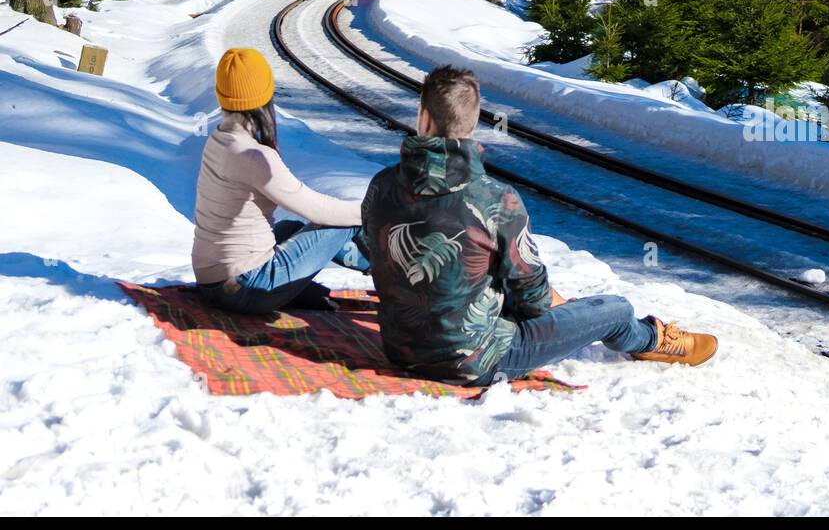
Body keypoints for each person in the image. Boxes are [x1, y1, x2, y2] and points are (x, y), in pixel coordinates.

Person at [361, 64, 718, 385]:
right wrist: (571, 313)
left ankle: (629, 331)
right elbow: (534, 300)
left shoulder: (381, 185)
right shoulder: (496, 199)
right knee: (616, 309)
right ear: (472, 124)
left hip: (401, 350)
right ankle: (651, 340)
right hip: (476, 362)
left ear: (423, 118)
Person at [192, 47, 368, 314]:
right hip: (246, 286)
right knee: (341, 223)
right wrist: (376, 208)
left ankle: (379, 270)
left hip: (211, 282)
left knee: (291, 227)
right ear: (265, 96)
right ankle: (404, 281)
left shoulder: (219, 139)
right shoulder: (254, 155)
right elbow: (318, 209)